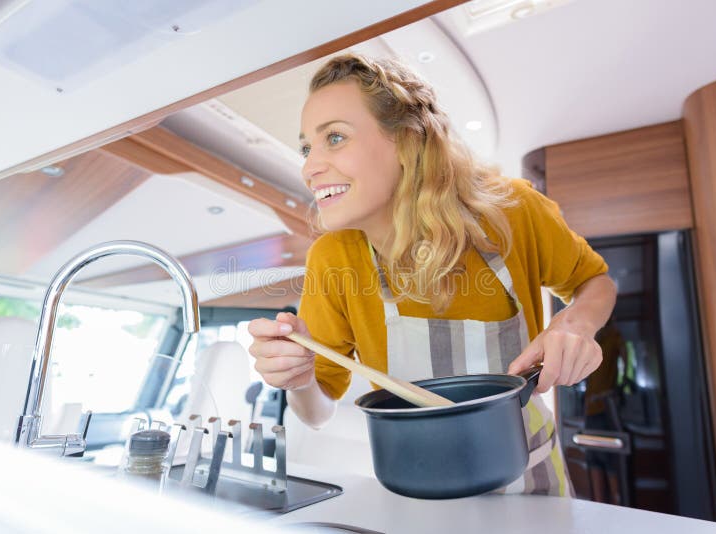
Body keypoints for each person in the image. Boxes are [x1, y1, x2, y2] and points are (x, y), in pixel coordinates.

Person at [248, 53, 617, 497]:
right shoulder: (333, 260)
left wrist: (573, 325)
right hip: (418, 491)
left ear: (407, 140)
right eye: (307, 148)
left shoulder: (512, 212)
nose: (309, 168)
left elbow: (595, 282)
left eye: (335, 137)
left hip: (532, 481)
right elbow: (317, 413)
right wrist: (300, 379)